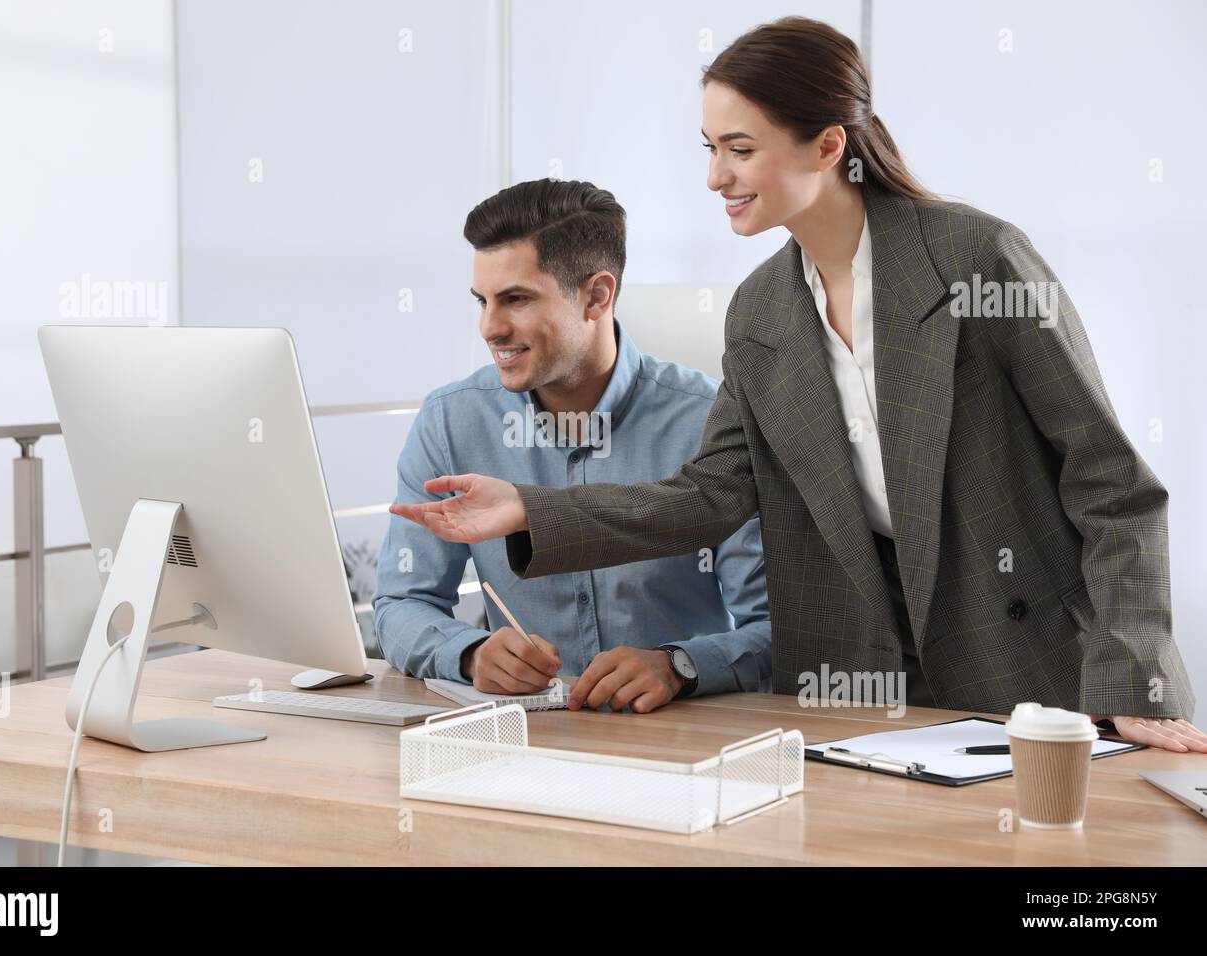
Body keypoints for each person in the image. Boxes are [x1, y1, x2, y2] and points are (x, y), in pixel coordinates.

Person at [391, 17, 1206, 752]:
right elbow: (710, 495)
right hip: (854, 679)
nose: (715, 176)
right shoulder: (761, 311)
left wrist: (1134, 680)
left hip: (1030, 672)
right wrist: (533, 509)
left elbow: (1112, 484)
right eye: (708, 148)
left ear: (827, 145)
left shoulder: (976, 259)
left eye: (739, 149)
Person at [373, 179, 771, 713]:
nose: (490, 327)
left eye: (516, 299)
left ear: (596, 295)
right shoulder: (451, 420)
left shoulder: (710, 422)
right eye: (482, 301)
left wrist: (681, 665)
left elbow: (776, 627)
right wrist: (467, 653)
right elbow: (403, 601)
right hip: (524, 738)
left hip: (680, 738)